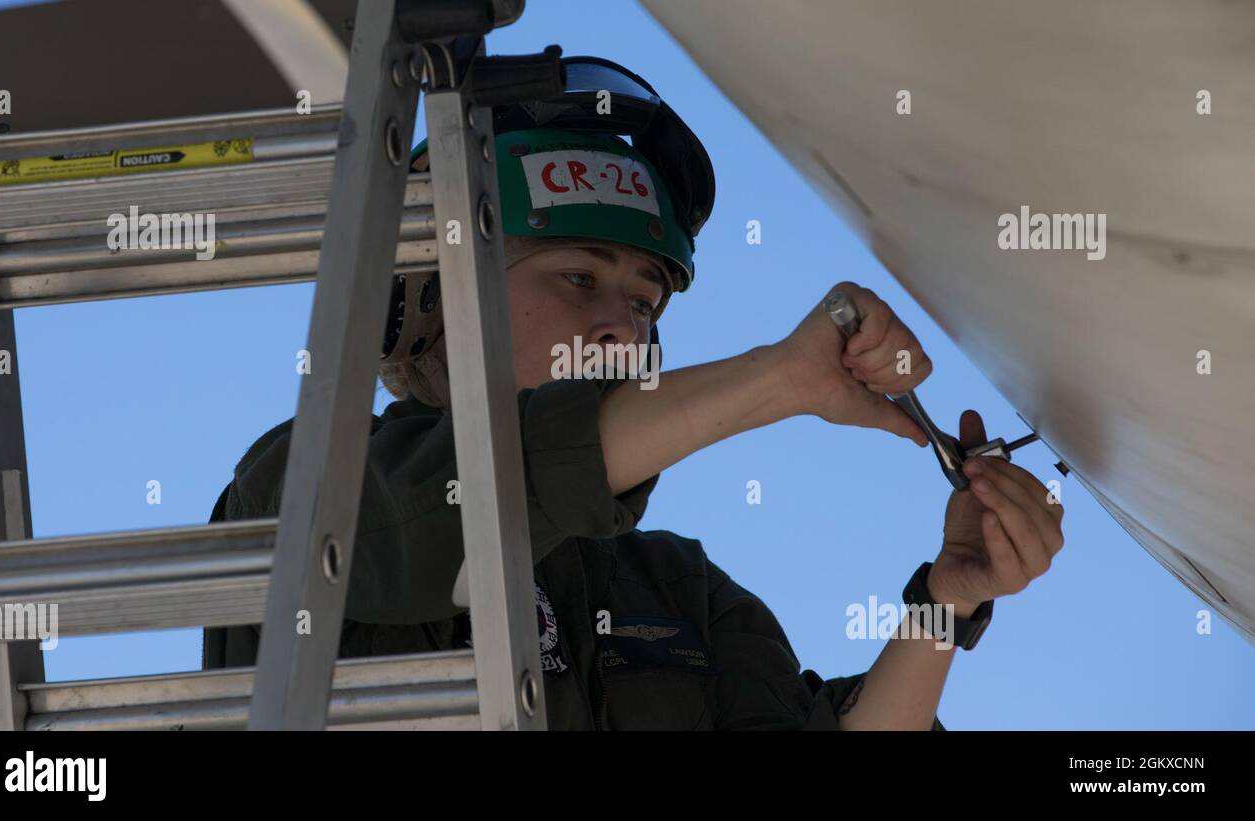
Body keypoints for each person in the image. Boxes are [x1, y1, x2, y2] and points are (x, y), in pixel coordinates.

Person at [202, 58, 1064, 730]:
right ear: (429, 295)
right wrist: (782, 376)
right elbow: (511, 478)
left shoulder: (677, 587)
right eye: (579, 276)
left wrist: (946, 603)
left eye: (646, 302)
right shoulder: (300, 485)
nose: (624, 330)